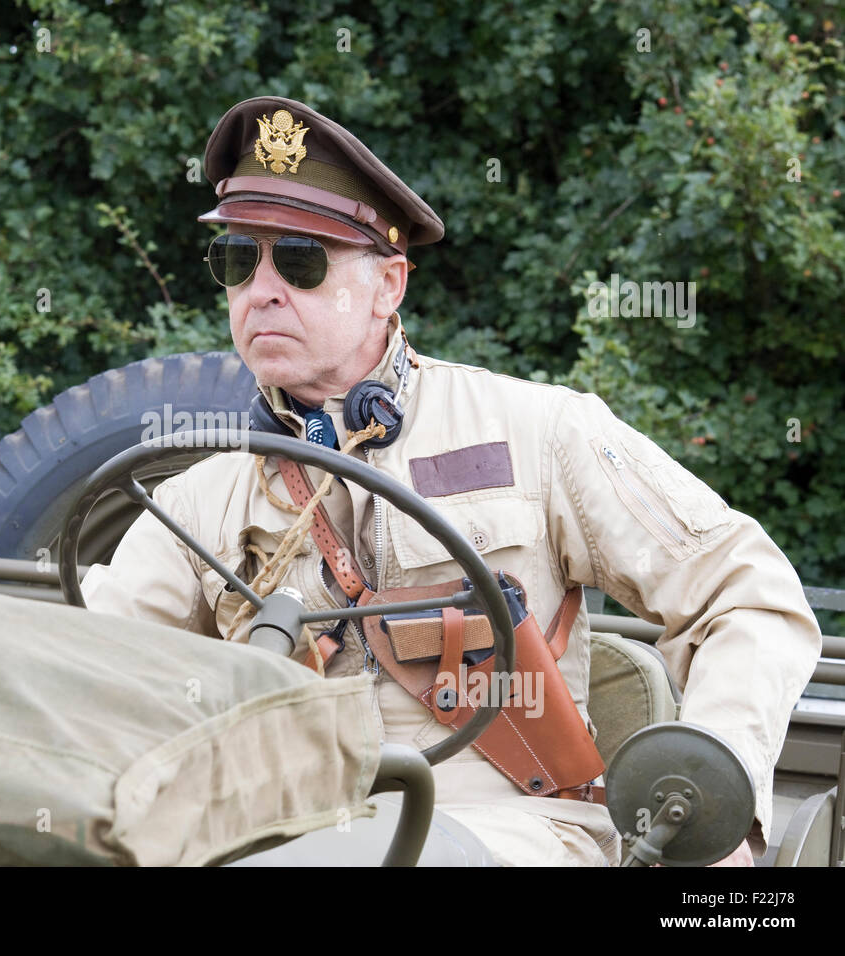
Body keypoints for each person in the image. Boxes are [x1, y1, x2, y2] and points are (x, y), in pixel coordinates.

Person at [81, 95, 822, 865]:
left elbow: (746, 588)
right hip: (268, 830)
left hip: (506, 830)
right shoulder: (197, 500)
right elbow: (95, 671)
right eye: (237, 259)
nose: (261, 288)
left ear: (388, 286)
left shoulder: (538, 432)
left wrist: (714, 793)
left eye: (299, 260)